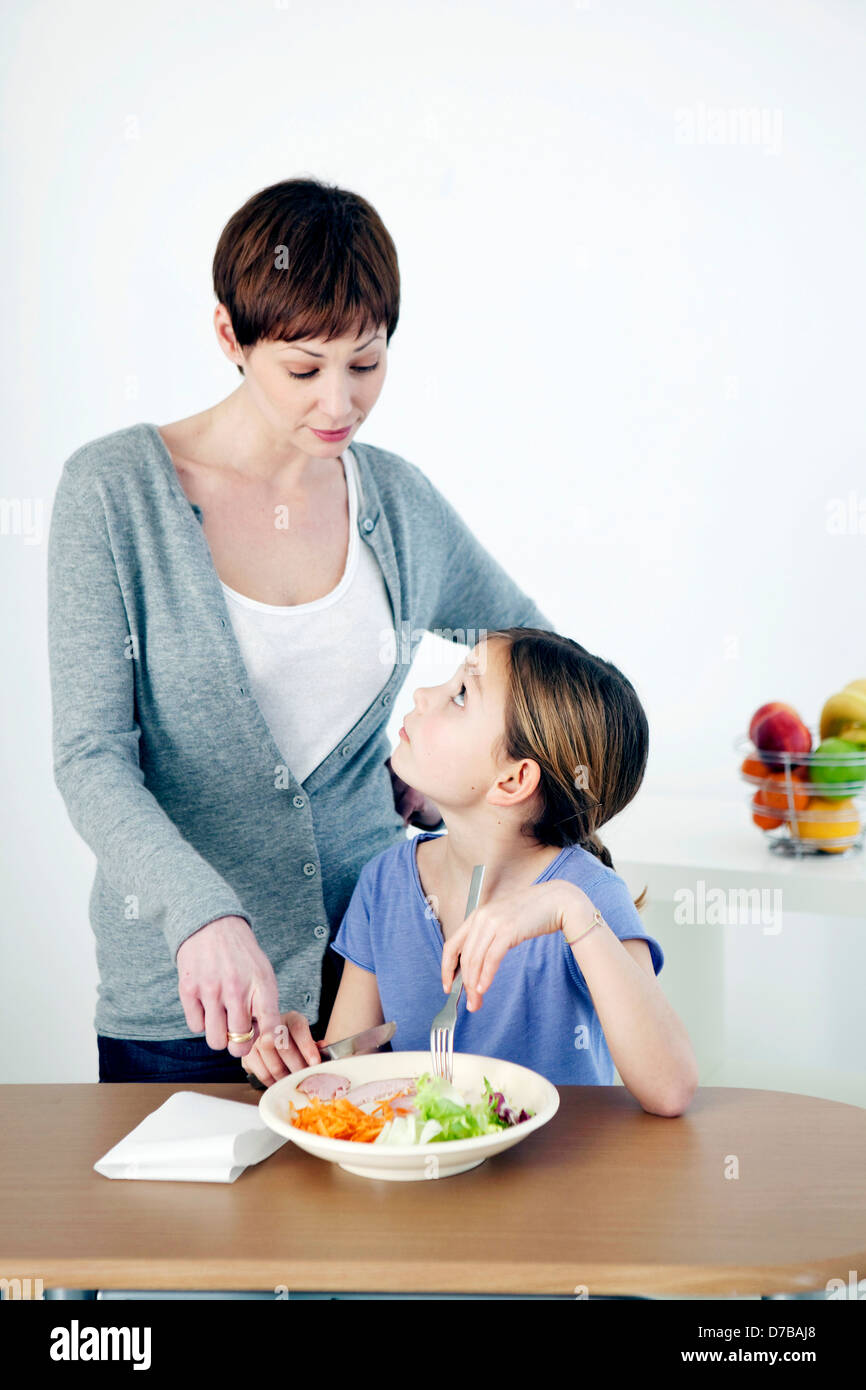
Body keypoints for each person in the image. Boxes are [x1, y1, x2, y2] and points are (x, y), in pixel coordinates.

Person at [46, 177, 557, 1083]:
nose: (338, 405)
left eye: (365, 364)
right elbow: (91, 757)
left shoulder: (396, 503)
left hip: (376, 990)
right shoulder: (113, 495)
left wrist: (458, 780)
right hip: (190, 1005)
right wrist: (201, 912)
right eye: (303, 367)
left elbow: (553, 669)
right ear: (229, 338)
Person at [243, 629, 698, 1113]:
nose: (422, 695)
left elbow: (670, 1090)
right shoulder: (385, 883)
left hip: (560, 1180)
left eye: (461, 696)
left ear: (513, 779)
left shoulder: (588, 895)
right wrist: (295, 1061)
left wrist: (568, 909)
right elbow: (346, 1078)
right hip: (427, 1183)